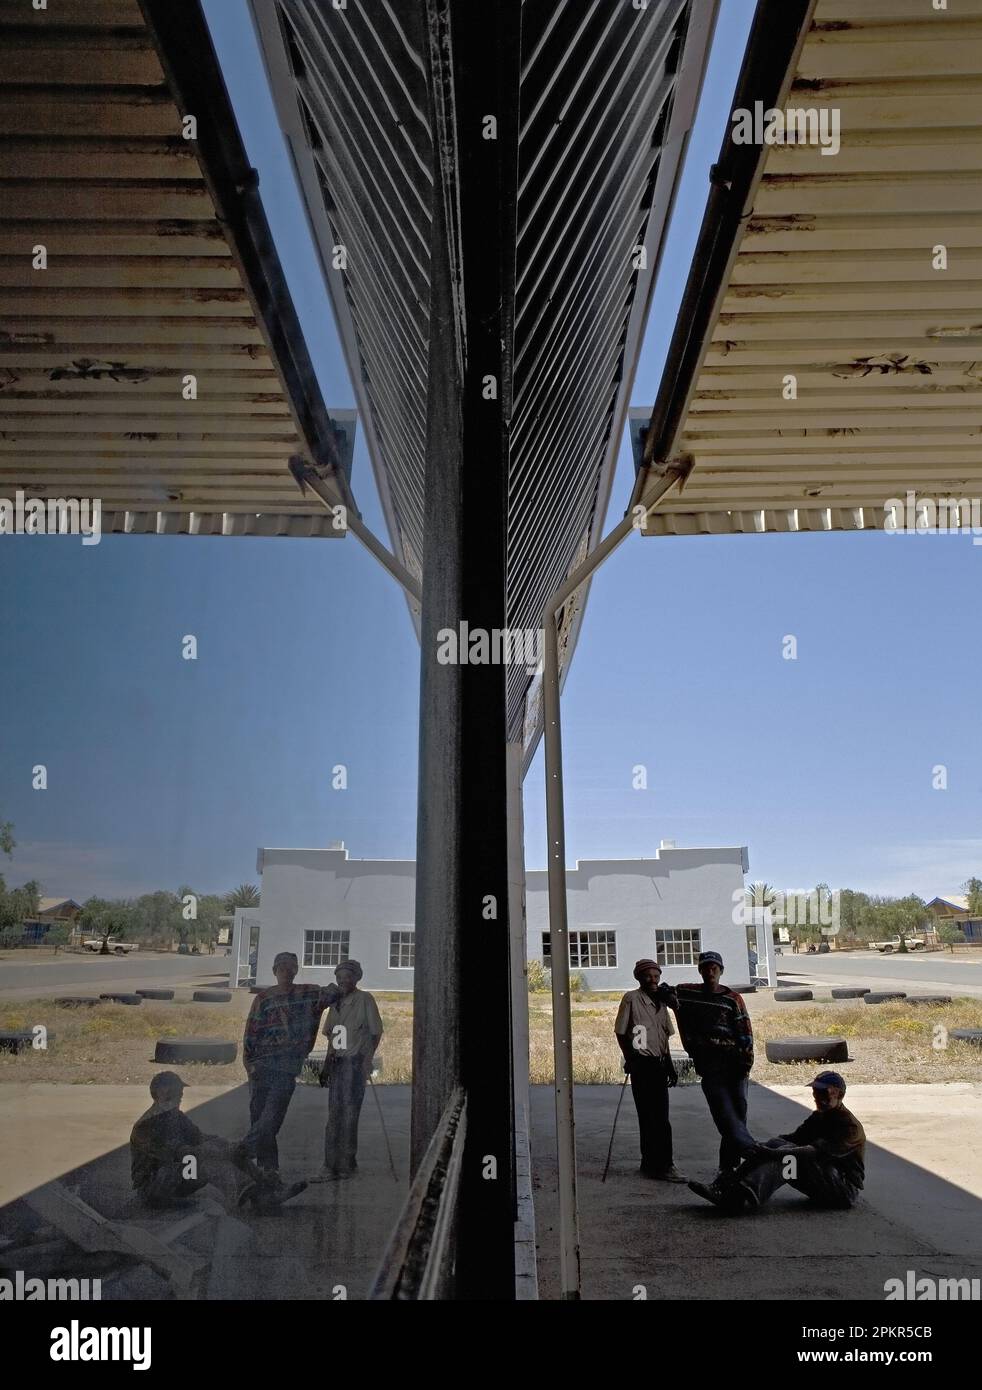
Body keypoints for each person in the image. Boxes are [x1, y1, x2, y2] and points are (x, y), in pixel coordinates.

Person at [689, 1071, 865, 1214]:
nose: (817, 1096)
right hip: (822, 1176)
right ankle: (726, 1186)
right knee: (777, 1144)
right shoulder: (820, 1117)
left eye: (824, 1092)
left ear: (838, 1094)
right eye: (816, 1091)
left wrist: (774, 1153)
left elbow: (813, 1152)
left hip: (841, 1189)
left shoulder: (849, 1127)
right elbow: (793, 1138)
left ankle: (740, 1198)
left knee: (789, 1159)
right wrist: (761, 1148)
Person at [130, 1071, 303, 1213]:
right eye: (177, 1091)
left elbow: (201, 1138)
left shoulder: (175, 1117)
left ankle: (266, 1187)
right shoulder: (146, 1126)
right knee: (206, 1161)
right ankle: (250, 1192)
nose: (181, 1095)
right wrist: (223, 1152)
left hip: (176, 1176)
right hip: (154, 1187)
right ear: (162, 1093)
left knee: (221, 1146)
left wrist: (232, 1146)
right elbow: (183, 1153)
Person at [241, 951, 340, 1174]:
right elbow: (251, 1031)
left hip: (286, 1068)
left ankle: (240, 1152)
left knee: (270, 1121)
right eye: (281, 968)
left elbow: (335, 991)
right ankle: (267, 1173)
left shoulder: (308, 993)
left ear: (295, 970)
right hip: (261, 1065)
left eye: (290, 968)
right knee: (258, 1120)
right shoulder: (264, 998)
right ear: (274, 971)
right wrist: (248, 1062)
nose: (286, 972)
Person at [665, 952, 756, 1178]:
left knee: (738, 1114)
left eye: (714, 968)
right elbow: (666, 990)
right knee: (725, 1116)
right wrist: (672, 1001)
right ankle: (751, 1156)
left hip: (735, 1064)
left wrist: (745, 1062)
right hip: (710, 1066)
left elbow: (745, 1031)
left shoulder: (733, 999)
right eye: (706, 968)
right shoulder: (689, 992)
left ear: (721, 971)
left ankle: (730, 1165)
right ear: (700, 971)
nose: (710, 972)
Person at [614, 959, 685, 1182]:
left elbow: (664, 1039)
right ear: (639, 977)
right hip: (642, 1065)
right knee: (647, 1116)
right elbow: (621, 1032)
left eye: (656, 976)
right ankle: (653, 1164)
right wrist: (630, 1059)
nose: (653, 980)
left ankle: (664, 1164)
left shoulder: (662, 1003)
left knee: (661, 1118)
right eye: (648, 976)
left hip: (660, 1063)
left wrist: (671, 1067)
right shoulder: (631, 999)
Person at [315, 960, 382, 1180]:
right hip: (338, 1064)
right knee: (335, 1115)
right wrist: (326, 1066)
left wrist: (367, 1059)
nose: (344, 981)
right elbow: (334, 1039)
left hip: (355, 1064)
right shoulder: (336, 1003)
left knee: (350, 1114)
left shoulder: (365, 1000)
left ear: (357, 978)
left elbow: (375, 1033)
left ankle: (346, 1163)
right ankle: (330, 1164)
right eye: (340, 977)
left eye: (348, 977)